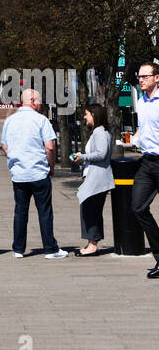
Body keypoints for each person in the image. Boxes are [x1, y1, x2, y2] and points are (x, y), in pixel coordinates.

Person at [0, 88, 67, 259]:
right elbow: (50, 147)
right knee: (44, 211)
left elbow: (5, 146)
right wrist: (51, 167)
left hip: (19, 174)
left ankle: (18, 248)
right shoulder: (41, 120)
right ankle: (50, 249)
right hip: (38, 172)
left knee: (20, 211)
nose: (40, 105)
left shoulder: (10, 120)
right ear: (33, 101)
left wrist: (16, 160)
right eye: (38, 102)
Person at [72, 103, 114, 256]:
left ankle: (92, 245)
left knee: (90, 210)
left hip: (98, 179)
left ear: (94, 115)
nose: (84, 117)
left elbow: (101, 154)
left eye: (86, 114)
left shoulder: (99, 132)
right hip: (95, 177)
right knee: (89, 209)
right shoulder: (98, 132)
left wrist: (82, 157)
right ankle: (91, 242)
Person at [131, 61, 159, 278]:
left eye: (145, 76)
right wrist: (135, 139)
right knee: (138, 207)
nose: (141, 80)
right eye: (139, 77)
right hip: (148, 162)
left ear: (156, 78)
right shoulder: (141, 101)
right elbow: (143, 128)